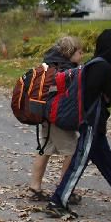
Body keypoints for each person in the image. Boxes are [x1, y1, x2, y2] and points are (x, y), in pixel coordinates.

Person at [46, 29, 111, 219]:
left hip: (95, 126)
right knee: (78, 164)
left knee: (107, 165)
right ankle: (57, 201)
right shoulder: (103, 68)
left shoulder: (92, 64)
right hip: (91, 125)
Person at [27, 36, 84, 203]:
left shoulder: (48, 65)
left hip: (45, 115)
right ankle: (65, 189)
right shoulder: (66, 71)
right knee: (72, 151)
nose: (82, 55)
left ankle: (34, 187)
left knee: (44, 149)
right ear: (69, 53)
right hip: (58, 117)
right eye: (80, 52)